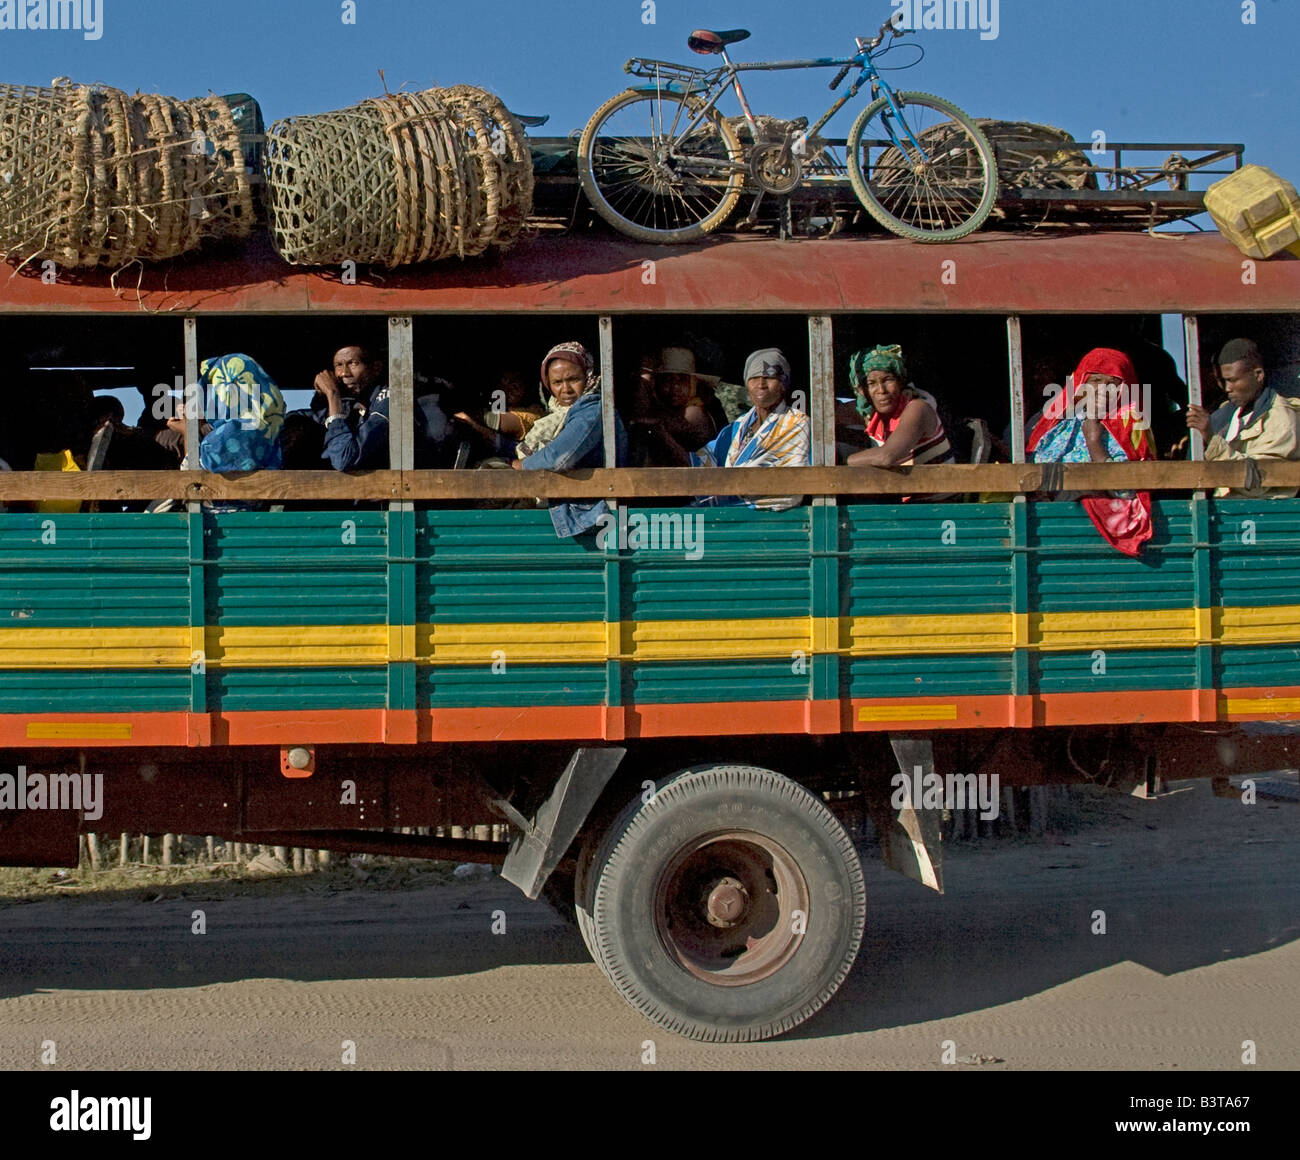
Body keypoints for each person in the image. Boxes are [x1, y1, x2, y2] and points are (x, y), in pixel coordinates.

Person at [1027, 347, 1156, 556]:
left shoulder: (1132, 426)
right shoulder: (1059, 423)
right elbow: (1035, 475)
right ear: (1080, 383)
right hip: (1051, 528)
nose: (1103, 390)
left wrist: (1094, 442)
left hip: (1103, 539)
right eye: (1095, 380)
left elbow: (1127, 493)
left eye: (1113, 384)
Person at [660, 347, 808, 511]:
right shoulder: (736, 429)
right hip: (727, 513)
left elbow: (791, 484)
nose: (761, 384)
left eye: (770, 378)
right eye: (754, 378)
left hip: (771, 519)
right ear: (747, 384)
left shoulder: (797, 424)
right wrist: (659, 434)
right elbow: (700, 465)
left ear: (783, 384)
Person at [513, 341, 628, 536]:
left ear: (588, 376)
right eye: (557, 383)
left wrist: (521, 466)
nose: (565, 389)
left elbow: (559, 457)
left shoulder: (593, 410)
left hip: (587, 513)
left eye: (573, 379)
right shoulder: (559, 414)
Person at [155, 353, 285, 513]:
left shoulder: (236, 431)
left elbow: (192, 474)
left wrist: (187, 429)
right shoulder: (265, 429)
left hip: (221, 521)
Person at [1185, 338, 1300, 498]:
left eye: (1233, 380)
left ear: (1258, 375)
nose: (1227, 388)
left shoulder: (1281, 420)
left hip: (1260, 517)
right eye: (1223, 381)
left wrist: (1212, 440)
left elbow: (1256, 483)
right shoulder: (1225, 414)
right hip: (1224, 514)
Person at [842, 344, 955, 500]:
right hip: (909, 507)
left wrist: (838, 463)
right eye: (871, 383)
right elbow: (830, 413)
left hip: (940, 509)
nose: (881, 390)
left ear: (900, 381)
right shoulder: (874, 416)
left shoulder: (917, 407)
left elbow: (887, 456)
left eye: (888, 380)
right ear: (861, 391)